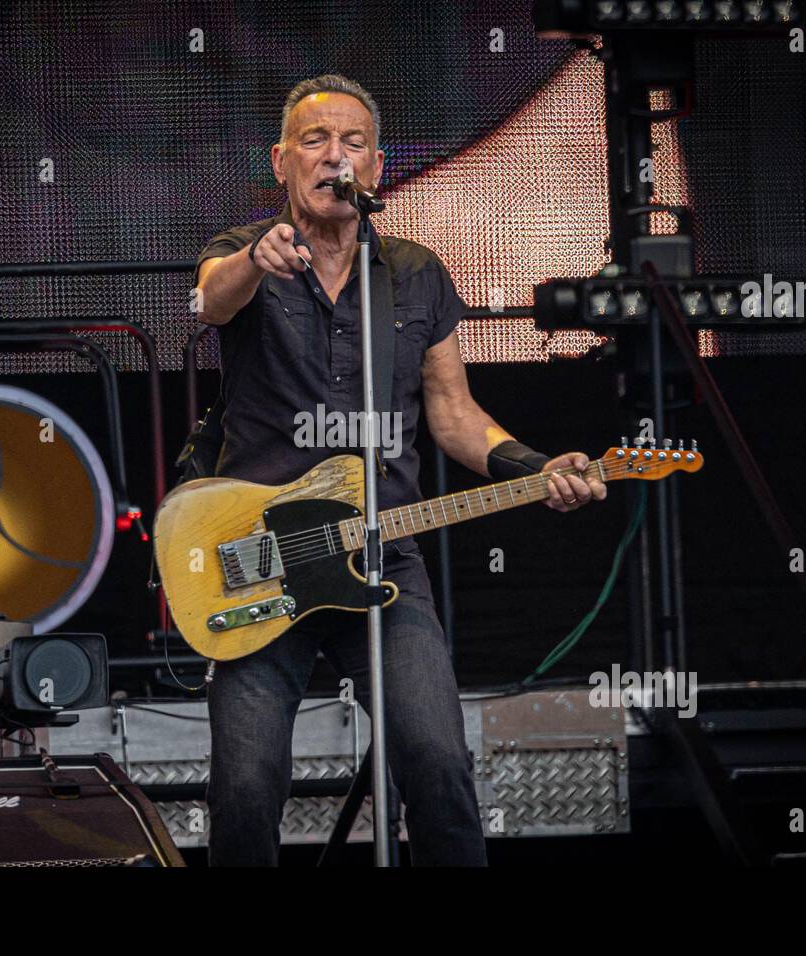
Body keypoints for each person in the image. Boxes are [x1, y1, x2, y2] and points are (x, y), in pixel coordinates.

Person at [193, 74, 607, 865]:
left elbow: (454, 416)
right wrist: (256, 257)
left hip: (383, 557)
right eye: (314, 142)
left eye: (352, 143)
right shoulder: (244, 253)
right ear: (281, 163)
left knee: (439, 763)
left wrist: (537, 464)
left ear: (377, 168)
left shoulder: (416, 274)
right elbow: (212, 301)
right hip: (261, 562)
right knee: (245, 785)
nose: (334, 156)